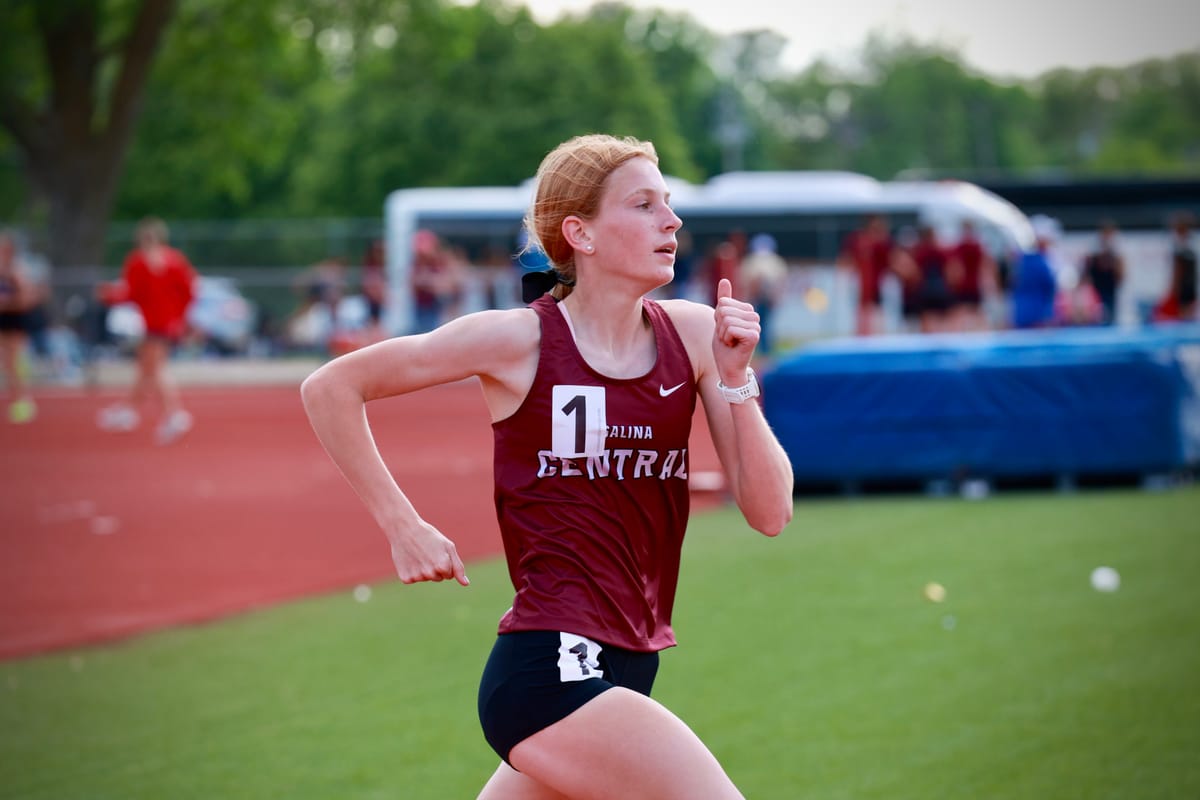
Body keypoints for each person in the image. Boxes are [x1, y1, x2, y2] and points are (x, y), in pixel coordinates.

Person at [301, 133, 794, 800]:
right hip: (550, 669)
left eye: (668, 203)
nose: (671, 221)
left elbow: (770, 512)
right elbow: (330, 387)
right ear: (579, 234)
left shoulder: (698, 334)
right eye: (644, 204)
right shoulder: (518, 340)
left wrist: (738, 380)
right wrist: (402, 524)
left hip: (631, 661)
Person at [96, 216, 197, 444]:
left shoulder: (142, 262)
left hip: (159, 323)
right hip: (163, 322)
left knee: (155, 368)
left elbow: (130, 293)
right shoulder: (171, 260)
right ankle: (129, 408)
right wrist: (181, 316)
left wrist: (108, 295)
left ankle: (174, 413)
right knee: (146, 366)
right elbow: (189, 291)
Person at [0, 231, 38, 423]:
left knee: (14, 360)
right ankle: (15, 397)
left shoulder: (17, 271)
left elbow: (27, 299)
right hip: (4, 318)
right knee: (7, 363)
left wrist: (9, 302)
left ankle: (22, 398)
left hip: (15, 319)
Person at [837, 213, 894, 335]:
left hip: (878, 286)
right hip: (862, 286)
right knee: (862, 319)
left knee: (877, 321)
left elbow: (891, 261)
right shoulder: (857, 240)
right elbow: (846, 260)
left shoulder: (883, 243)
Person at [737, 233, 788, 355]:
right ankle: (760, 349)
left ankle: (765, 349)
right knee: (757, 324)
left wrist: (775, 296)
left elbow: (780, 281)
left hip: (766, 298)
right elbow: (746, 282)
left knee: (765, 324)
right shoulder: (752, 261)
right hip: (757, 298)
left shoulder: (774, 262)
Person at [1011, 215, 1060, 329]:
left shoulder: (1021, 260)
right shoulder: (1039, 262)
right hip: (1037, 316)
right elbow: (1050, 287)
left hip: (1023, 314)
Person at [949, 219, 997, 332]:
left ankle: (960, 334)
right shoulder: (978, 247)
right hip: (975, 284)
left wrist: (953, 284)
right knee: (977, 312)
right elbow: (986, 266)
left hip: (963, 285)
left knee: (960, 313)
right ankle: (983, 333)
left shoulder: (960, 247)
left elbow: (955, 268)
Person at [1154, 211, 1197, 322]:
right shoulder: (1178, 248)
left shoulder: (1188, 246)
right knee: (1183, 315)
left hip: (1188, 287)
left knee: (1187, 315)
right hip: (1184, 288)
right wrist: (1174, 289)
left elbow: (1179, 271)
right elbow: (1177, 271)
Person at [1079, 220, 1125, 325]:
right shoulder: (1093, 252)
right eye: (1104, 233)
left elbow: (1121, 275)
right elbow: (1086, 273)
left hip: (1110, 292)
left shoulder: (1117, 254)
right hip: (1096, 292)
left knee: (1111, 318)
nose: (1106, 236)